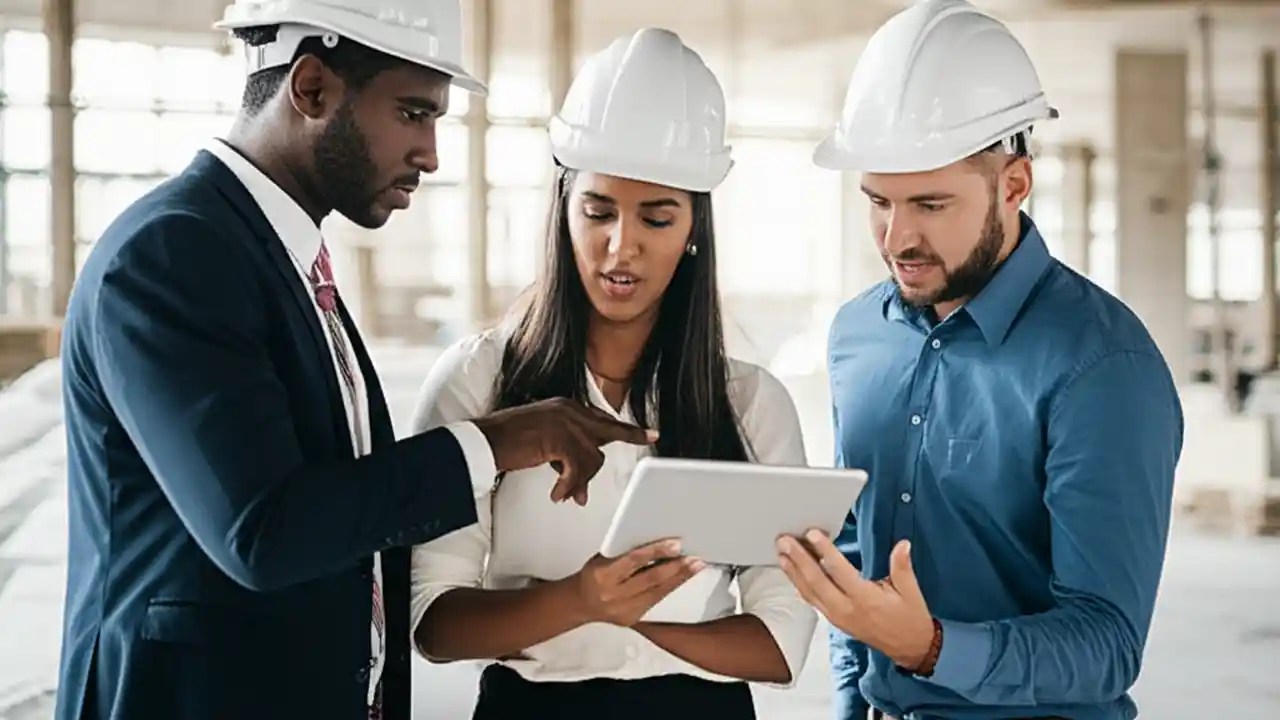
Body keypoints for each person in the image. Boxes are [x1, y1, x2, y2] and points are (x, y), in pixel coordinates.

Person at [54, 1, 653, 719]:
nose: (431, 152)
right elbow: (263, 534)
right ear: (311, 89)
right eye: (412, 113)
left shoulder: (286, 266)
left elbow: (343, 524)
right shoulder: (174, 255)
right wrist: (497, 442)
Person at [774, 2, 1185, 720]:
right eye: (879, 202)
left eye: (930, 204)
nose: (897, 237)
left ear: (1015, 185)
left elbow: (1107, 643)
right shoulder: (857, 335)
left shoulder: (1103, 367)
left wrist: (932, 647)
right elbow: (858, 551)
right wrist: (851, 695)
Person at [407, 27, 818, 720]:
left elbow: (780, 643)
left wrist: (621, 620)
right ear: (563, 207)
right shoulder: (477, 380)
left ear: (693, 231)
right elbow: (432, 619)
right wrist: (580, 602)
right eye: (598, 211)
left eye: (656, 219)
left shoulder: (750, 402)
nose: (620, 247)